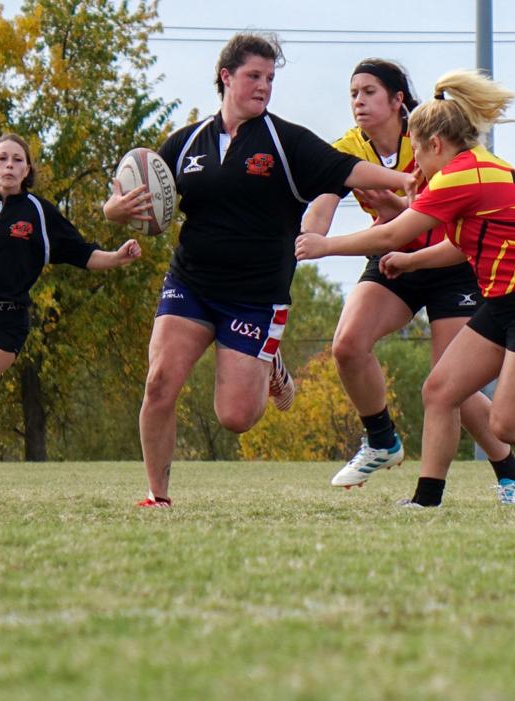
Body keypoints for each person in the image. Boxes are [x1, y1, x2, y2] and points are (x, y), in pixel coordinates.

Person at [103, 33, 414, 508]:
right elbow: (128, 196)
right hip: (191, 283)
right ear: (226, 77)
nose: (264, 86)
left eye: (270, 78)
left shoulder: (286, 141)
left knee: (236, 417)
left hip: (255, 295)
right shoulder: (186, 143)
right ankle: (157, 497)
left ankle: (269, 362)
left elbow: (348, 169)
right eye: (254, 76)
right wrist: (115, 210)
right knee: (160, 382)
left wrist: (407, 180)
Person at [296, 69, 515, 508]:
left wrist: (325, 246)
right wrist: (412, 261)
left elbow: (392, 233)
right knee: (440, 390)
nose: (416, 169)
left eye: (418, 153)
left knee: (507, 423)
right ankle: (426, 499)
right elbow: (461, 244)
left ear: (435, 145)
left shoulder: (459, 176)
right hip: (505, 300)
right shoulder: (487, 166)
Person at [299, 59, 515, 499]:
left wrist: (394, 210)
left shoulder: (429, 134)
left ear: (397, 99)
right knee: (347, 344)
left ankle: (511, 472)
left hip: (450, 262)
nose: (358, 101)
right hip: (394, 259)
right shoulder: (349, 146)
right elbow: (323, 202)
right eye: (353, 93)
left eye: (369, 92)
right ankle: (381, 439)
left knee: (450, 385)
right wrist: (308, 237)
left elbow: (438, 214)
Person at [0, 134, 142, 496]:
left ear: (27, 170)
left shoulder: (39, 212)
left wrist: (117, 256)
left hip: (4, 323)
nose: (9, 165)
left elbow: (83, 253)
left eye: (17, 160)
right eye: (2, 158)